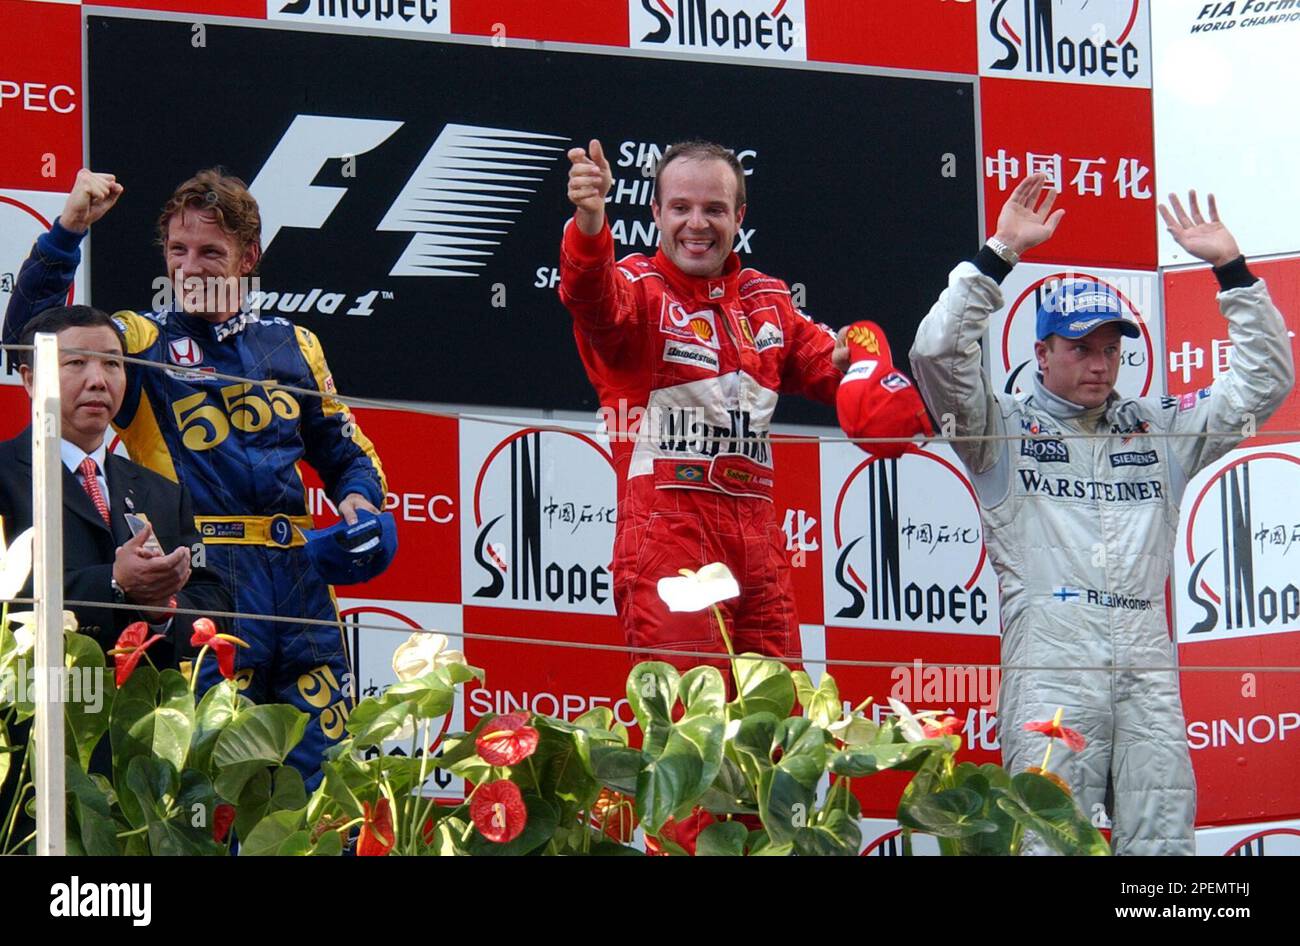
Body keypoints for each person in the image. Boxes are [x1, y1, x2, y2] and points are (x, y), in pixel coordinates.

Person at [905, 174, 1295, 854]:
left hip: (1145, 660)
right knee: (1048, 842)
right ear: (1042, 353)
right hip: (1052, 659)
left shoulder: (1157, 426)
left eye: (1111, 348)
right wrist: (998, 253)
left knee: (1164, 847)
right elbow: (936, 353)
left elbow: (1264, 383)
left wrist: (1232, 273)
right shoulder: (998, 427)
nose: (1099, 363)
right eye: (1081, 347)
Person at [3, 169, 388, 788]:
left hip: (299, 582)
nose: (191, 267)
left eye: (211, 252)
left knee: (324, 783)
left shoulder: (295, 344)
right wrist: (69, 228)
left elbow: (348, 453)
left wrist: (361, 506)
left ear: (249, 257)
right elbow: (33, 337)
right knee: (209, 782)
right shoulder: (139, 338)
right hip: (200, 577)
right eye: (178, 252)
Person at [559, 138, 932, 670]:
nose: (697, 224)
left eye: (713, 209)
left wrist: (867, 356)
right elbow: (589, 297)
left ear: (739, 216)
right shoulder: (638, 290)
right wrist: (590, 223)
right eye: (681, 208)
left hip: (760, 552)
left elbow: (832, 363)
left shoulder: (767, 301)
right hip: (670, 542)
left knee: (780, 733)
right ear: (656, 214)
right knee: (695, 730)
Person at [0, 304, 229, 659]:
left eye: (112, 363)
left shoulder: (163, 493)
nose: (98, 380)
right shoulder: (5, 473)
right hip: (30, 703)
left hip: (142, 706)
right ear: (31, 379)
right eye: (76, 363)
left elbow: (213, 602)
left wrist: (161, 608)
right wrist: (114, 582)